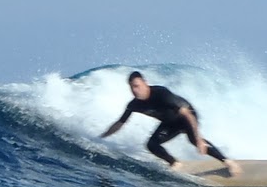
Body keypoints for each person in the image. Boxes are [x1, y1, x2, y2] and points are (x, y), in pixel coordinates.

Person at [101, 72, 242, 176]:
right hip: (170, 123)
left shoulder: (161, 93)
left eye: (137, 86)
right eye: (132, 87)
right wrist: (102, 136)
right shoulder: (134, 104)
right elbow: (120, 123)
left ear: (145, 83)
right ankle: (174, 163)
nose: (135, 90)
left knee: (193, 140)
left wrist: (199, 139)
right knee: (151, 144)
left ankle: (228, 161)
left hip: (186, 116)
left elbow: (186, 113)